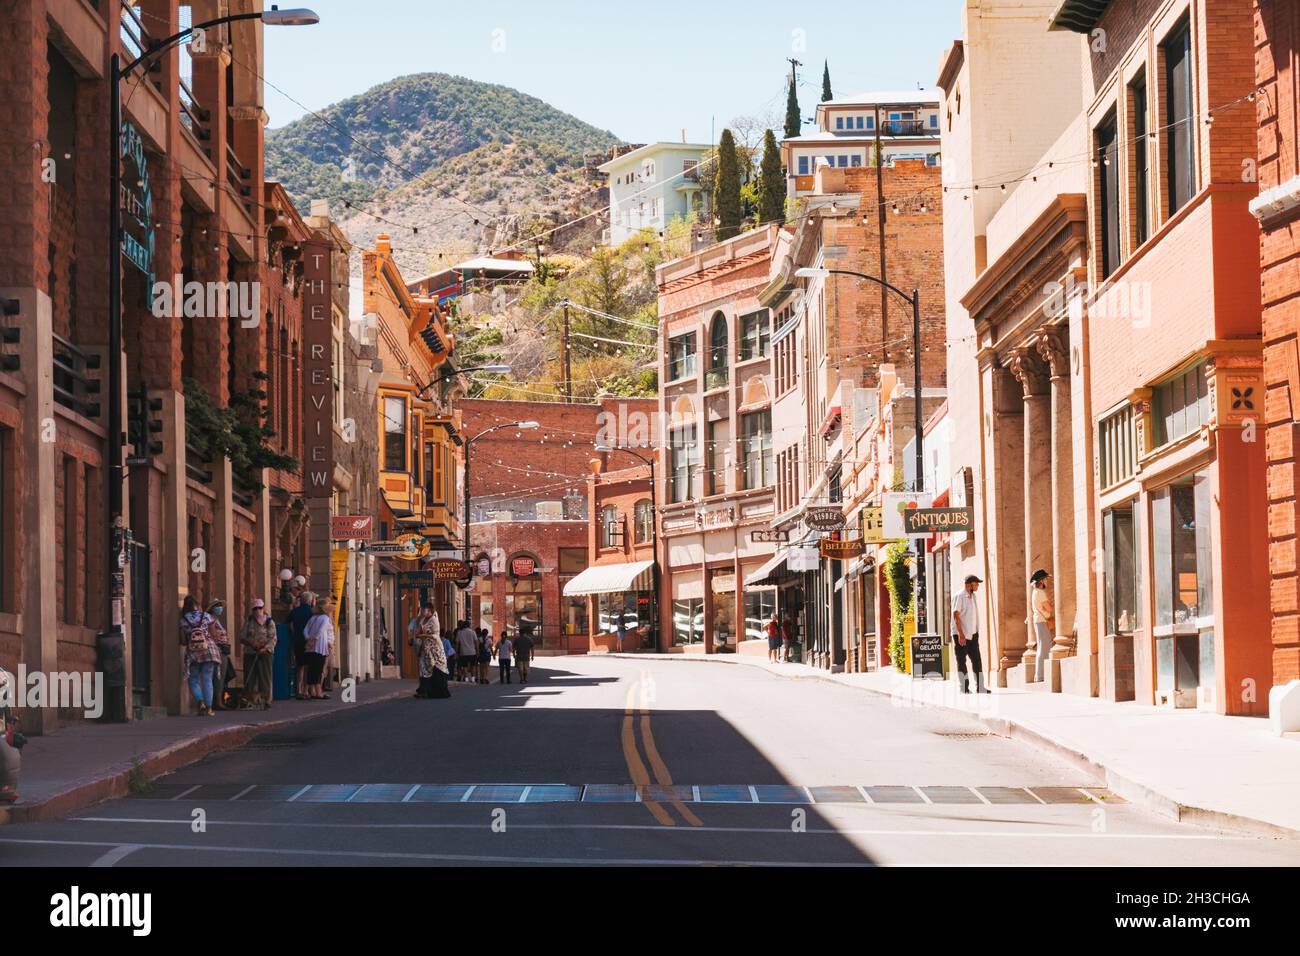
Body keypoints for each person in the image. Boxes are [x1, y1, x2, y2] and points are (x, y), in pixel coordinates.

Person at [180, 595, 221, 716]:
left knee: (193, 680)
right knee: (207, 678)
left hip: (193, 652)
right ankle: (209, 708)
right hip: (209, 650)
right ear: (197, 605)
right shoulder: (207, 616)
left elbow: (182, 640)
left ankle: (200, 701)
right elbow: (213, 634)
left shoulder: (183, 620)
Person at [952, 574, 989, 694]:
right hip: (961, 634)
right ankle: (964, 687)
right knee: (962, 661)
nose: (977, 585)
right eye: (976, 583)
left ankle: (980, 687)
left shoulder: (973, 596)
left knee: (977, 661)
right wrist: (961, 635)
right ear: (969, 585)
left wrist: (976, 632)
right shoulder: (960, 596)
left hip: (973, 633)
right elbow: (956, 616)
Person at [239, 598, 277, 710]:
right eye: (255, 608)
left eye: (259, 608)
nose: (257, 610)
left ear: (263, 608)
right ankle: (250, 701)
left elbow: (273, 639)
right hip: (250, 652)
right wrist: (251, 642)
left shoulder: (269, 622)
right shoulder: (249, 621)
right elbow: (242, 636)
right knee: (250, 677)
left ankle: (267, 700)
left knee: (265, 677)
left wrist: (265, 648)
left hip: (265, 653)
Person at [410, 604, 449, 698]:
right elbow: (418, 631)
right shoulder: (423, 620)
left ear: (430, 610)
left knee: (436, 667)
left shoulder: (434, 620)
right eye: (422, 610)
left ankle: (436, 692)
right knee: (424, 668)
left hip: (435, 648)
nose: (423, 612)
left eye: (424, 610)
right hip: (425, 648)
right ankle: (423, 691)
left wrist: (423, 636)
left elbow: (435, 635)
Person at [301, 597, 334, 700]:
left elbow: (305, 630)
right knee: (319, 669)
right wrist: (315, 639)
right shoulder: (325, 618)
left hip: (310, 648)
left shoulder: (313, 618)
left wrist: (308, 639)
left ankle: (312, 691)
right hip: (320, 646)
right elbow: (321, 631)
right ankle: (318, 692)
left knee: (312, 669)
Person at [288, 592, 315, 700]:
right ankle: (305, 690)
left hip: (297, 640)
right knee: (308, 666)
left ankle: (298, 690)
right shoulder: (312, 612)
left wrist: (292, 632)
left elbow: (287, 622)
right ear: (310, 600)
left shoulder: (294, 611)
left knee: (300, 666)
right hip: (309, 641)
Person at [207, 598, 232, 709]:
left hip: (222, 649)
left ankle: (218, 700)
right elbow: (213, 635)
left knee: (220, 677)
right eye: (217, 606)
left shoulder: (217, 621)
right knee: (218, 676)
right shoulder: (210, 620)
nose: (220, 608)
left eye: (220, 605)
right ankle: (216, 701)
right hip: (217, 650)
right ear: (212, 608)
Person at [1030, 568, 1054, 683]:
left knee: (1043, 647)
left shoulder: (1035, 592)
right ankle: (1039, 676)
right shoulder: (1040, 592)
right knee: (1044, 647)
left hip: (1038, 621)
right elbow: (1049, 608)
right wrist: (1049, 605)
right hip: (1041, 621)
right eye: (1046, 579)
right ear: (1041, 580)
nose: (1047, 581)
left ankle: (1039, 675)